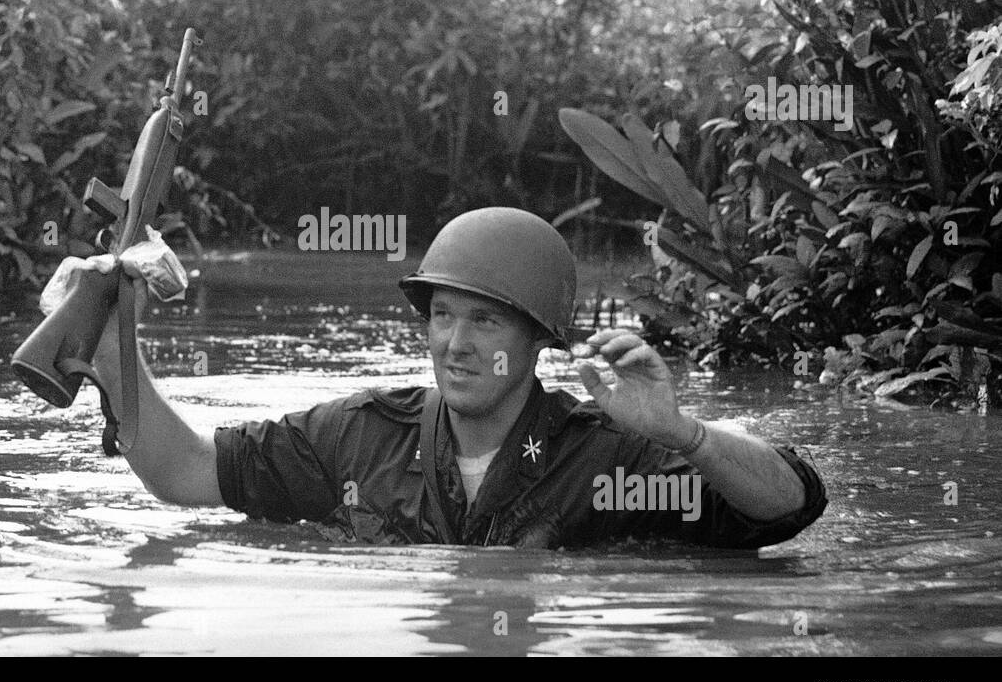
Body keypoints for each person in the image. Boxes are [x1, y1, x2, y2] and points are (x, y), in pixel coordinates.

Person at [64, 206, 826, 549]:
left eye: (486, 322)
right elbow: (185, 470)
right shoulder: (360, 433)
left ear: (538, 344)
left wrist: (683, 433)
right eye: (442, 316)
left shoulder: (607, 457)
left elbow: (789, 507)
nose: (455, 344)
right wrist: (112, 351)